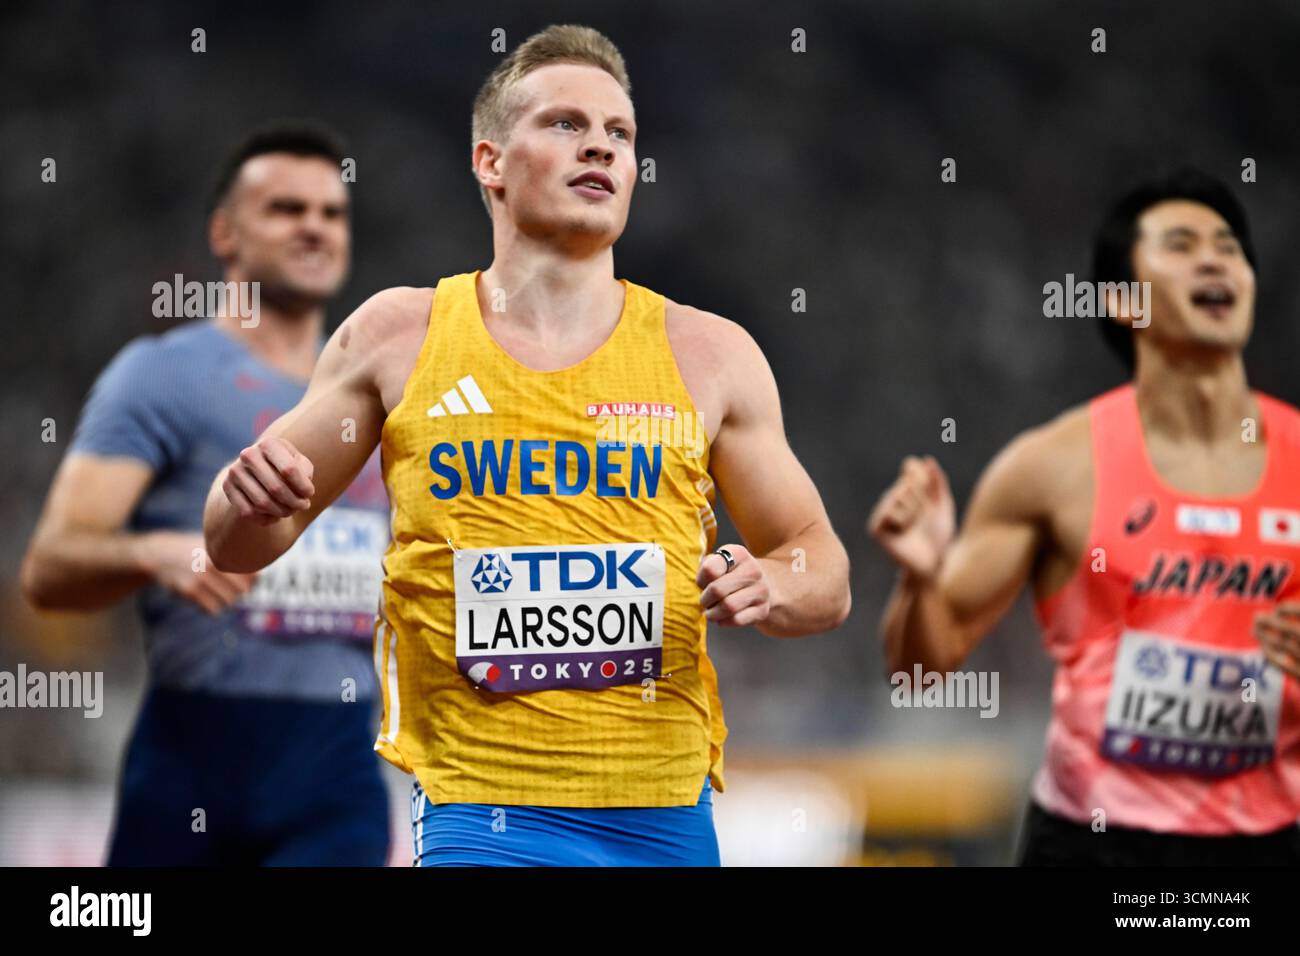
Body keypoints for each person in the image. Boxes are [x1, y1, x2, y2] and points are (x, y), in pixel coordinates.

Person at [203, 25, 851, 867]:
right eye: (565, 124)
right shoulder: (399, 338)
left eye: (620, 134)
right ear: (491, 162)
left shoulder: (710, 355)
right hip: (482, 812)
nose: (600, 148)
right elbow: (235, 540)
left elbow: (824, 571)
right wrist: (247, 496)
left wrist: (772, 579)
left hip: (661, 811)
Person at [868, 168, 1300, 866]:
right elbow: (921, 669)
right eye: (1182, 245)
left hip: (1271, 845)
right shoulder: (1052, 468)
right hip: (1096, 846)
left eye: (1229, 246)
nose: (1217, 259)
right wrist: (919, 581)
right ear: (1124, 300)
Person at [21, 121, 392, 866]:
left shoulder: (388, 394)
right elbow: (48, 570)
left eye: (332, 212)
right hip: (192, 756)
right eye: (287, 209)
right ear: (225, 233)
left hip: (339, 765)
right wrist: (156, 551)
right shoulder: (161, 377)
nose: (315, 228)